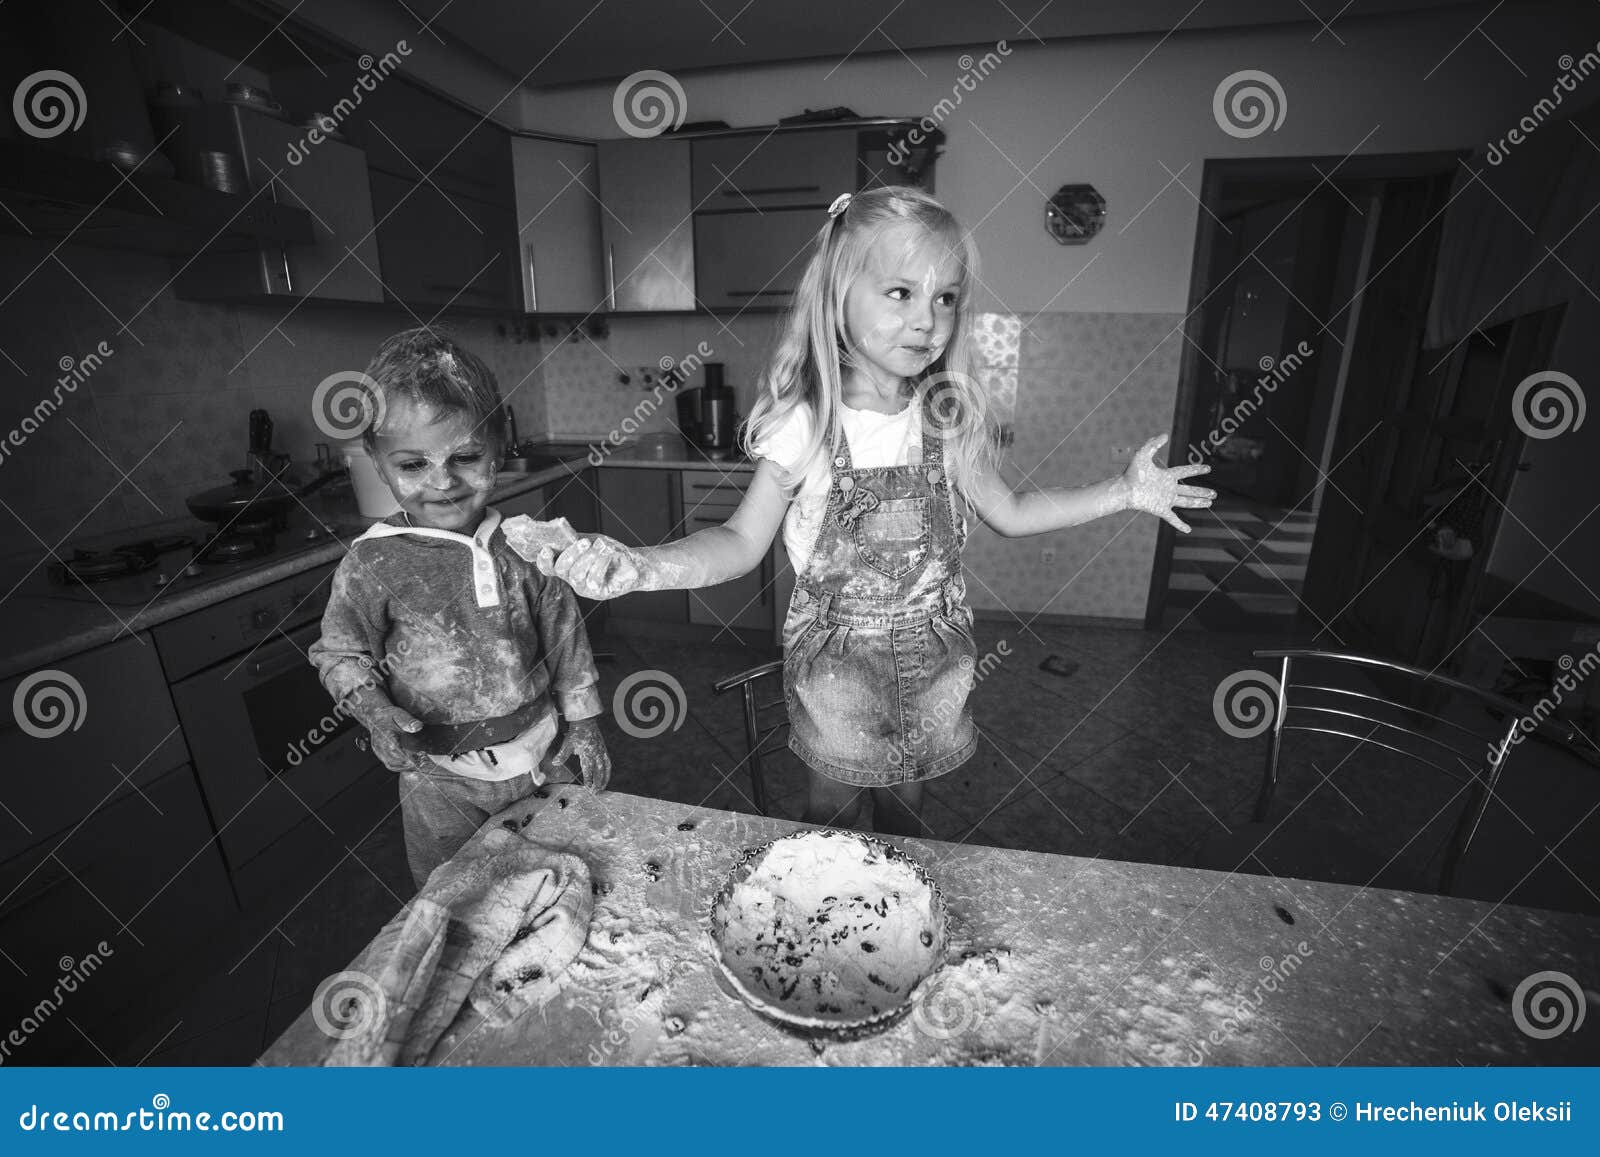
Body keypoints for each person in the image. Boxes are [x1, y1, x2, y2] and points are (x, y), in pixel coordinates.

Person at [532, 187, 1212, 835]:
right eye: (900, 292)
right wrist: (640, 565)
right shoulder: (807, 423)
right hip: (838, 666)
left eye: (945, 297)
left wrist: (1122, 491)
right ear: (836, 300)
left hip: (935, 658)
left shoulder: (944, 416)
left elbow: (1012, 510)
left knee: (907, 808)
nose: (927, 317)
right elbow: (740, 541)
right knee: (832, 812)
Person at [309, 328, 610, 889]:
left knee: (556, 879)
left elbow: (566, 641)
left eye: (466, 456)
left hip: (542, 759)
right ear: (376, 461)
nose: (442, 481)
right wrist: (375, 712)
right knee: (456, 895)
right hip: (438, 779)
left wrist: (586, 722)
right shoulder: (372, 562)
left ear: (498, 449)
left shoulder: (526, 545)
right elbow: (341, 653)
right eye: (413, 464)